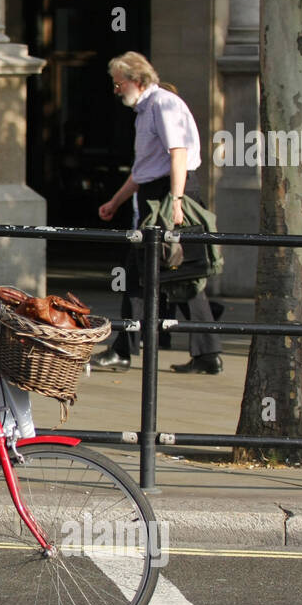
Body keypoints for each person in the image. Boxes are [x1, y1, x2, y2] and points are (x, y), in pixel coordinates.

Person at [90, 52, 224, 375]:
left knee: (159, 272)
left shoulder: (163, 104)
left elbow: (178, 154)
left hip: (169, 194)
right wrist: (116, 201)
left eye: (119, 83)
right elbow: (143, 171)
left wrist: (176, 201)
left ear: (136, 80)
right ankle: (206, 354)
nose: (116, 90)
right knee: (174, 273)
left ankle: (124, 350)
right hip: (159, 193)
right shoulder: (144, 111)